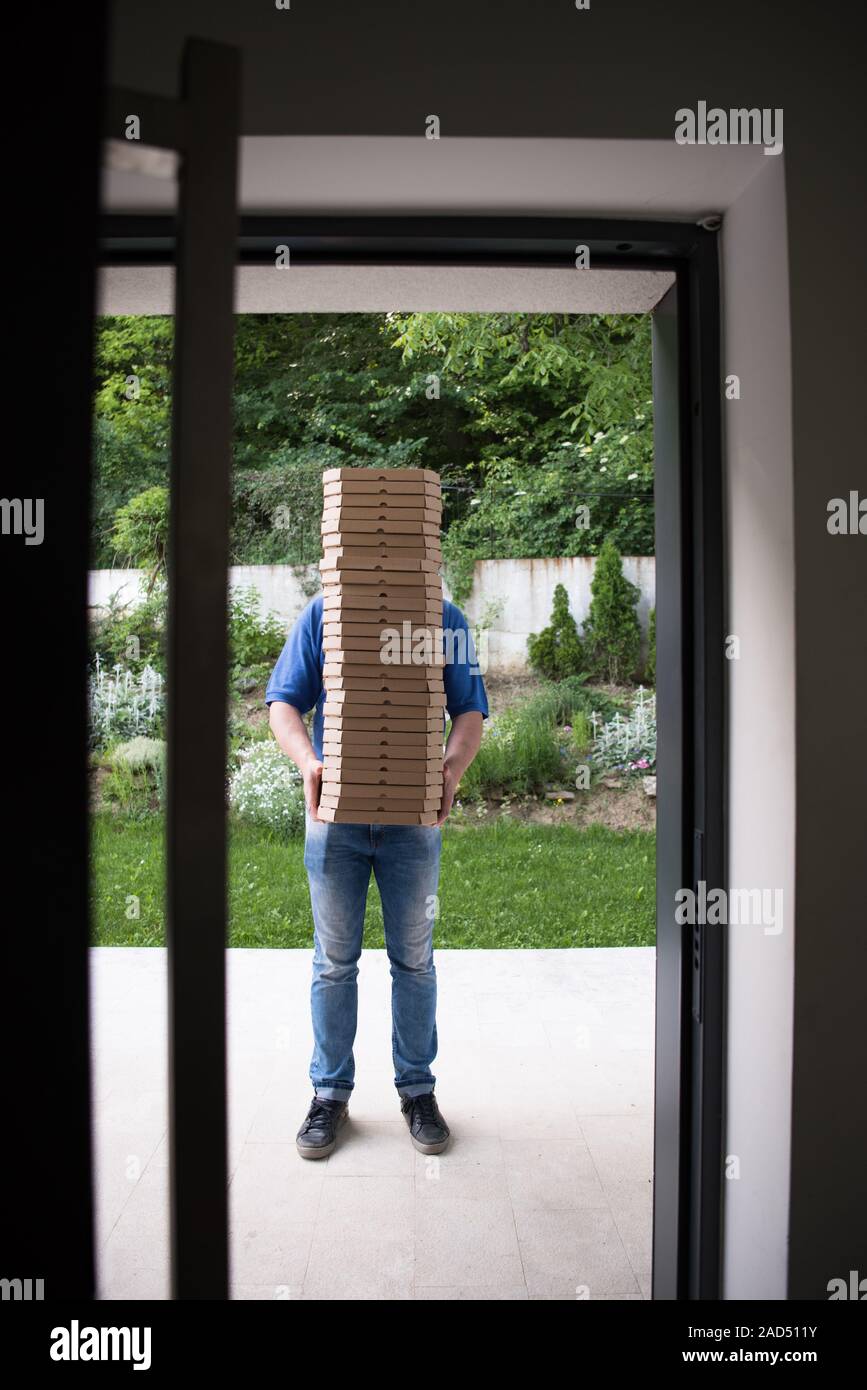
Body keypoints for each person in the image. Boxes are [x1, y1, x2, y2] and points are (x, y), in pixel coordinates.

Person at [265, 594, 488, 1159]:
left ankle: (417, 1090)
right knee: (333, 961)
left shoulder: (445, 620)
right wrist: (307, 763)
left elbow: (469, 709)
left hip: (412, 824)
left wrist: (451, 769)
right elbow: (283, 702)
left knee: (414, 960)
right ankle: (329, 1092)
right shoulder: (326, 614)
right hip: (334, 823)